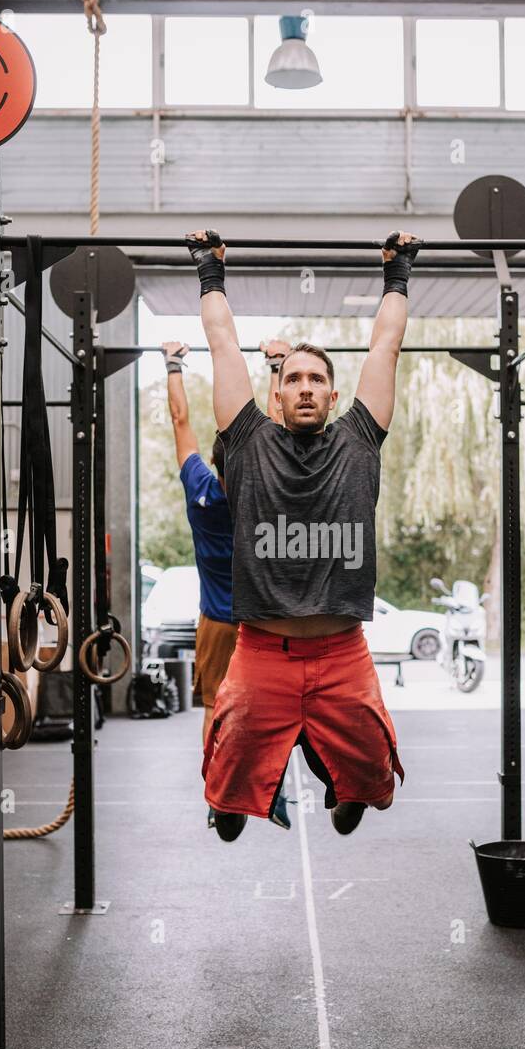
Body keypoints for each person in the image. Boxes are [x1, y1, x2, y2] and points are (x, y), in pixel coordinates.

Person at [186, 226, 416, 841]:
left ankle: (347, 788)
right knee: (228, 815)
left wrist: (397, 274)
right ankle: (233, 799)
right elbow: (221, 343)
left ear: (334, 394)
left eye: (316, 380)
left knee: (378, 790)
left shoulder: (359, 439)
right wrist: (210, 270)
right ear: (277, 394)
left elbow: (386, 347)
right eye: (294, 379)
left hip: (343, 655)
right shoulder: (248, 438)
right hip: (261, 654)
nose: (306, 387)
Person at [162, 338, 292, 832]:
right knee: (276, 709)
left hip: (216, 623)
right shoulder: (264, 492)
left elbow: (180, 422)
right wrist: (276, 365)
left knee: (217, 707)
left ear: (216, 464)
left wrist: (173, 363)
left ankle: (220, 793)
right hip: (261, 622)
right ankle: (270, 786)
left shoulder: (201, 490)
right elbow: (276, 427)